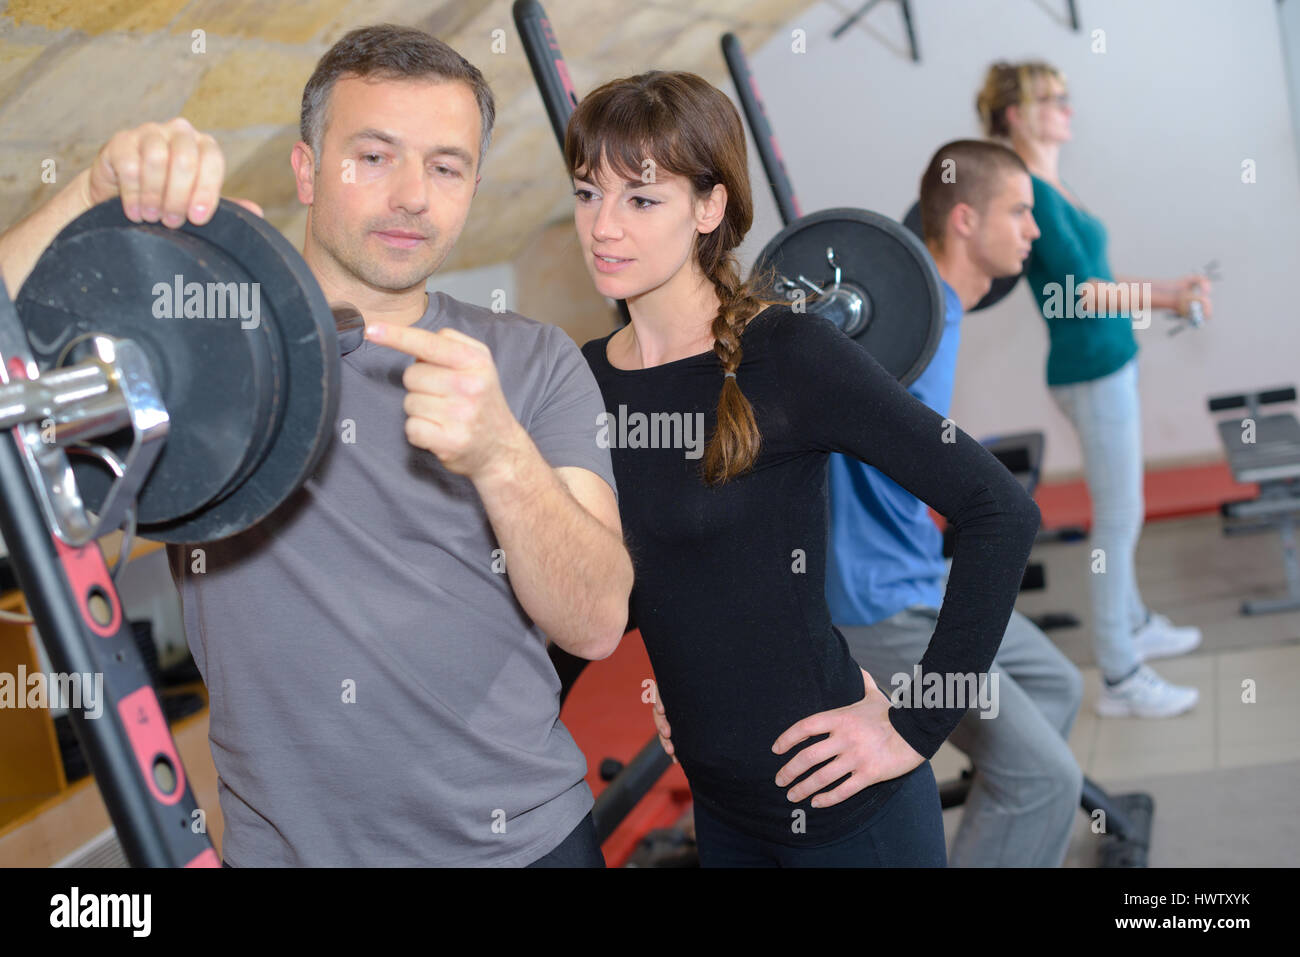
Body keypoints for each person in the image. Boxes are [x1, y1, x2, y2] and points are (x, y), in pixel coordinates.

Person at [0, 24, 634, 867]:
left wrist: (499, 454)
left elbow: (595, 621)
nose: (412, 194)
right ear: (306, 169)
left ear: (473, 187)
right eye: (373, 157)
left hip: (525, 845)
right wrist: (87, 193)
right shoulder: (203, 352)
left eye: (445, 167)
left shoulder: (534, 359)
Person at [569, 71, 1042, 867]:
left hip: (848, 816)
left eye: (640, 200)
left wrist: (915, 724)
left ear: (708, 208)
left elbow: (1000, 510)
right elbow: (612, 583)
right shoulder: (585, 378)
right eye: (588, 194)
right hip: (722, 814)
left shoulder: (786, 354)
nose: (602, 227)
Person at [828, 139, 1085, 867]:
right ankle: (1017, 806)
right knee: (1045, 779)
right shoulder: (917, 320)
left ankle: (998, 831)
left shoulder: (936, 312)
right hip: (875, 603)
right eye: (1020, 212)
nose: (1034, 229)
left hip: (918, 580)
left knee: (1056, 681)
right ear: (966, 220)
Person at [977, 61, 1212, 718]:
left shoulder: (1056, 184)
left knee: (1122, 509)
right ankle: (1121, 673)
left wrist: (1173, 289)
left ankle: (1134, 623)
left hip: (1108, 361)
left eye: (1065, 96)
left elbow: (1100, 274)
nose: (1067, 108)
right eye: (1051, 99)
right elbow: (1081, 294)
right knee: (1118, 517)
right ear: (1016, 115)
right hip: (1089, 368)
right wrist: (1167, 297)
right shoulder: (1031, 192)